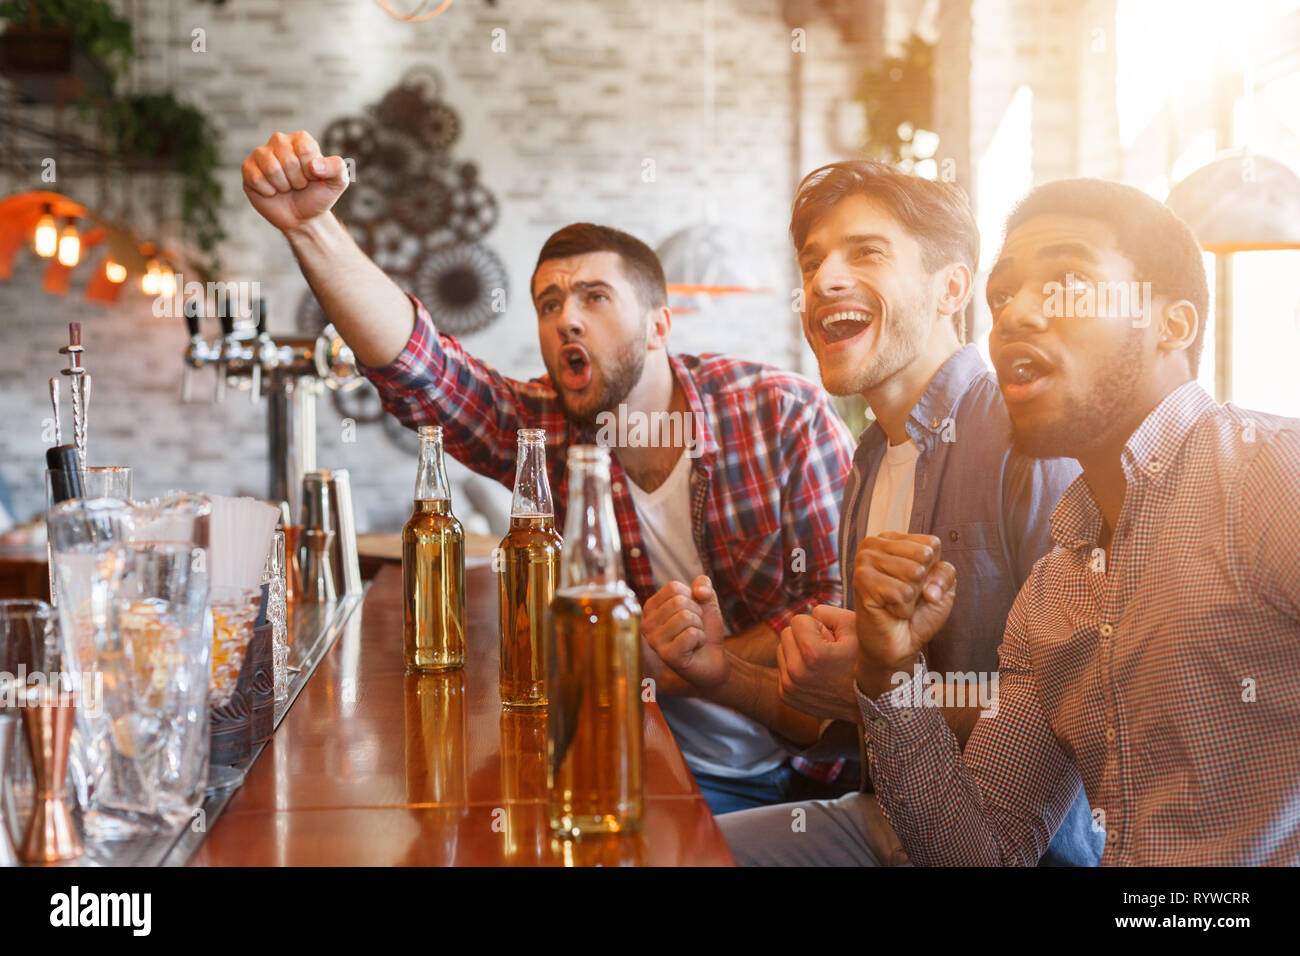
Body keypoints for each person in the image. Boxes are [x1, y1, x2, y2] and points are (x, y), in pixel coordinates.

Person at [240, 130, 855, 814]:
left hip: (792, 773)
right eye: (549, 303)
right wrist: (311, 229)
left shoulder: (781, 413)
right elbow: (424, 373)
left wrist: (685, 665)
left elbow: (832, 617)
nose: (566, 319)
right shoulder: (549, 425)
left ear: (658, 326)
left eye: (594, 297)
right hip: (631, 753)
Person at [645, 160, 1100, 866]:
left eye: (866, 251)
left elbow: (1084, 704)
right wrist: (718, 672)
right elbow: (840, 712)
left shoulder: (1025, 440)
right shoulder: (864, 463)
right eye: (812, 261)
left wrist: (883, 686)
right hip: (885, 822)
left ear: (951, 288)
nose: (824, 279)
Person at [852, 178, 1300, 864]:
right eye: (1002, 296)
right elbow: (978, 856)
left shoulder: (1272, 476)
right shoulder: (1053, 596)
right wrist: (894, 670)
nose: (1016, 316)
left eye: (1068, 282)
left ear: (1171, 325)